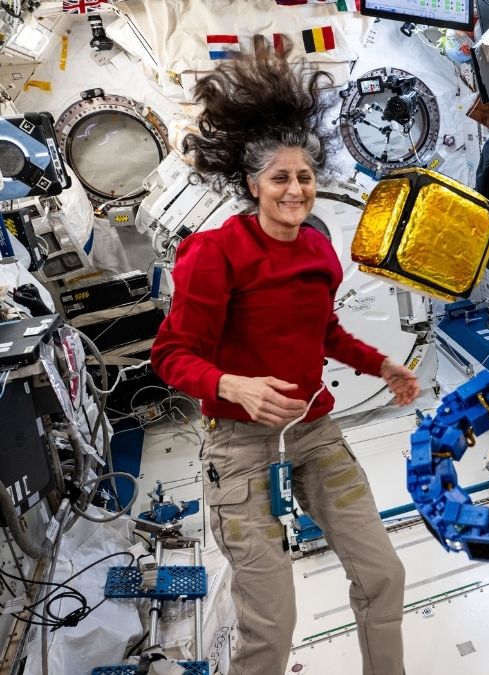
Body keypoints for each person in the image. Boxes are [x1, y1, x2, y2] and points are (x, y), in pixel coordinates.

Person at [150, 42, 418, 675]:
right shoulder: (214, 254)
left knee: (384, 573)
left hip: (313, 431)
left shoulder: (321, 252)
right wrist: (234, 387)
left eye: (304, 177)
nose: (295, 190)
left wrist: (382, 364)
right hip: (238, 446)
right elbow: (172, 355)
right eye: (279, 178)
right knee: (273, 620)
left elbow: (323, 331)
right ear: (252, 185)